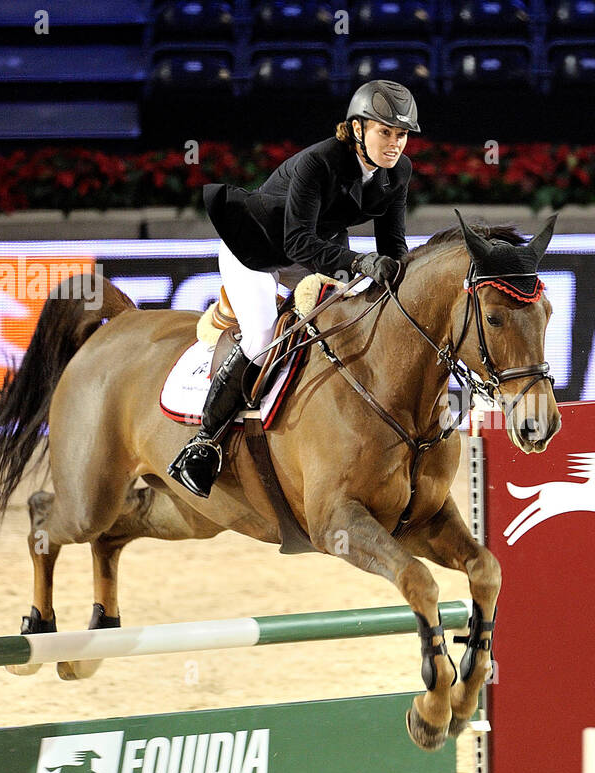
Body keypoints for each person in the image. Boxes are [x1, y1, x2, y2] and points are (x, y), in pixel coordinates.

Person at [168, 79, 419, 498]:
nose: (395, 144)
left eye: (401, 134)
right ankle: (204, 444)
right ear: (357, 129)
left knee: (346, 318)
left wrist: (403, 277)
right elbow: (296, 241)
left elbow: (392, 246)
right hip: (255, 250)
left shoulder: (398, 173)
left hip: (315, 253)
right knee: (264, 339)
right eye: (385, 132)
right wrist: (359, 263)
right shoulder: (318, 162)